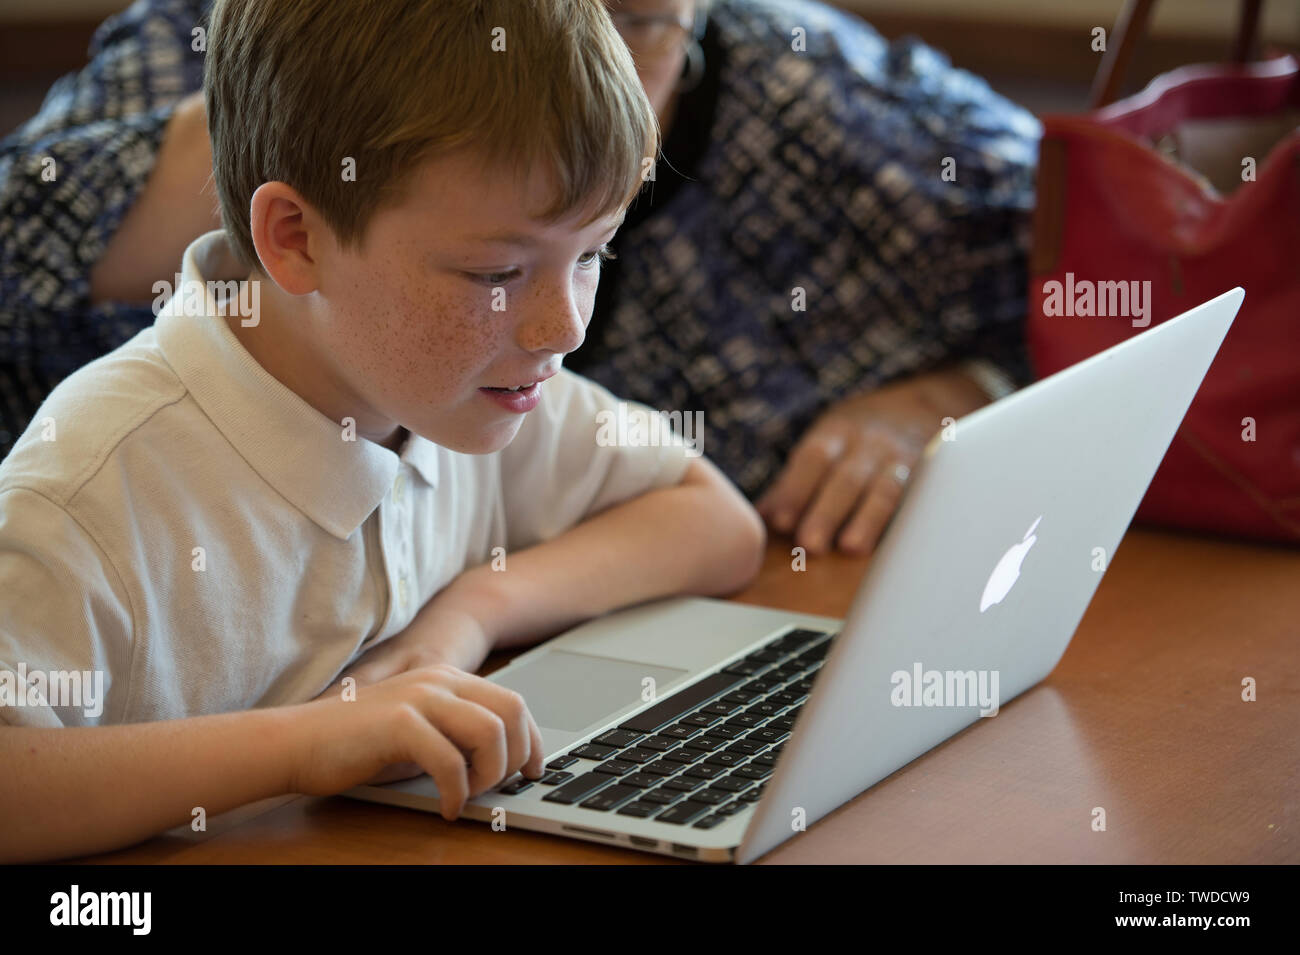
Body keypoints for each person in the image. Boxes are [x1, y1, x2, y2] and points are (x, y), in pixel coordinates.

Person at [0, 0, 767, 864]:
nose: (565, 327)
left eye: (591, 254)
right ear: (297, 240)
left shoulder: (465, 390)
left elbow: (716, 523)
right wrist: (307, 741)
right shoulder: (90, 489)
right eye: (497, 272)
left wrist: (466, 615)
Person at [0, 0, 1041, 557]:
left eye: (632, 19)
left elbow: (1095, 261)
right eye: (494, 267)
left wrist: (967, 389)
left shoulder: (814, 98)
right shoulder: (238, 50)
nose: (560, 328)